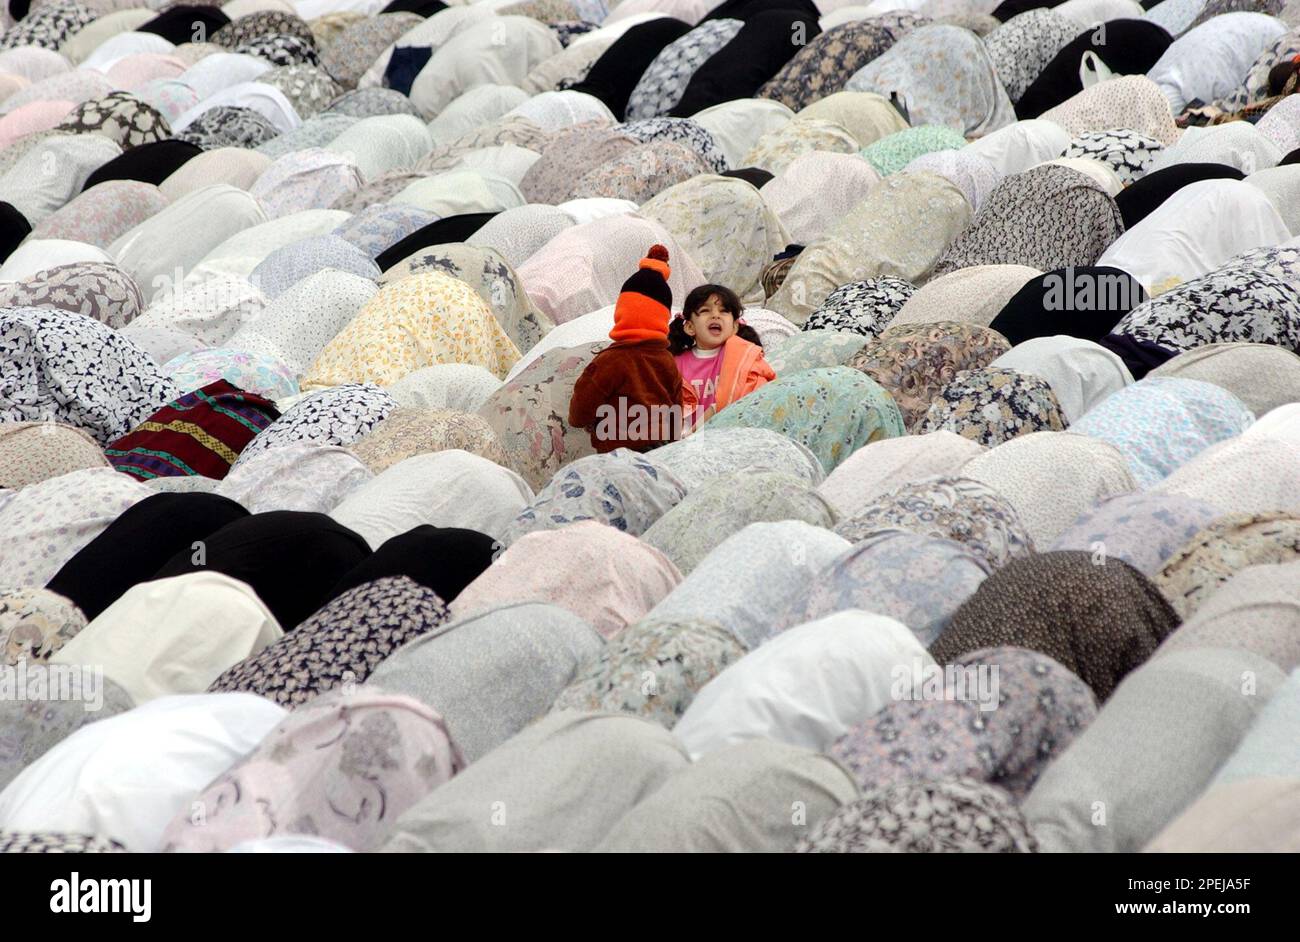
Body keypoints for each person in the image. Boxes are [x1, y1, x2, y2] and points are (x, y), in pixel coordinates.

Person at [569, 245, 684, 453]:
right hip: (664, 450)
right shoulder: (668, 361)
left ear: (621, 312)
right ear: (663, 319)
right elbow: (677, 413)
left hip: (620, 453)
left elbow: (579, 413)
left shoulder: (611, 360)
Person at [669, 284, 775, 428]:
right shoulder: (675, 363)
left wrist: (712, 413)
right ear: (690, 327)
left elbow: (758, 397)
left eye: (724, 311)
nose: (715, 315)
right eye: (705, 310)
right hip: (686, 442)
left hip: (732, 433)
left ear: (734, 327)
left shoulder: (745, 357)